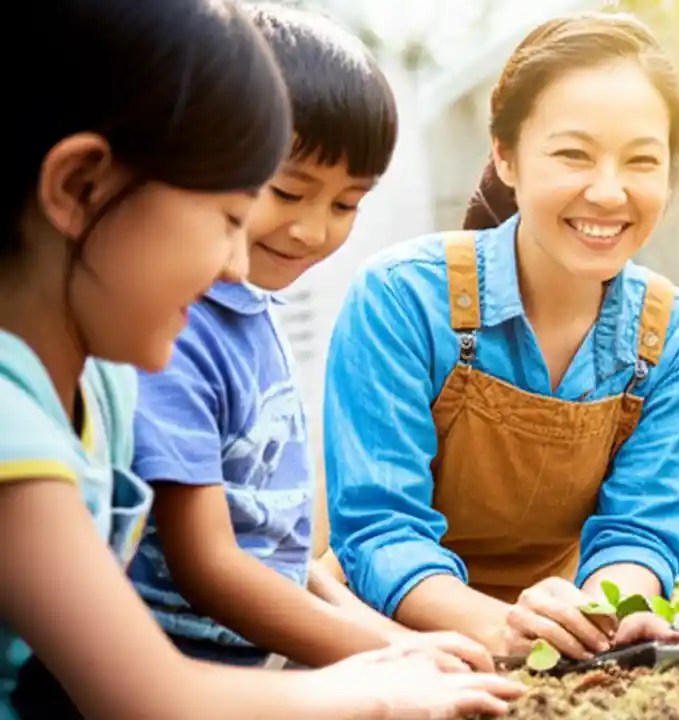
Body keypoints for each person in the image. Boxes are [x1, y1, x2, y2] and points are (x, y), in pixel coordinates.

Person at [0, 1, 522, 718]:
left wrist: (384, 652)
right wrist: (377, 689)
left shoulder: (105, 387)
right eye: (227, 218)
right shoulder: (11, 420)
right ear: (81, 187)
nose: (236, 262)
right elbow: (153, 697)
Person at [320, 11, 679, 660]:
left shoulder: (674, 339)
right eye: (573, 154)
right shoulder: (400, 298)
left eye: (642, 160)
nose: (609, 191)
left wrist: (611, 612)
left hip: (553, 650)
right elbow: (380, 529)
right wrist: (497, 627)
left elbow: (639, 534)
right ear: (504, 155)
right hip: (381, 646)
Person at [120, 1, 468, 670]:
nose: (313, 231)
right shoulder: (174, 331)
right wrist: (395, 658)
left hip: (253, 665)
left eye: (345, 205)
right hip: (182, 679)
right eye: (287, 191)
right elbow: (211, 567)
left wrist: (406, 644)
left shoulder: (251, 309)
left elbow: (273, 548)